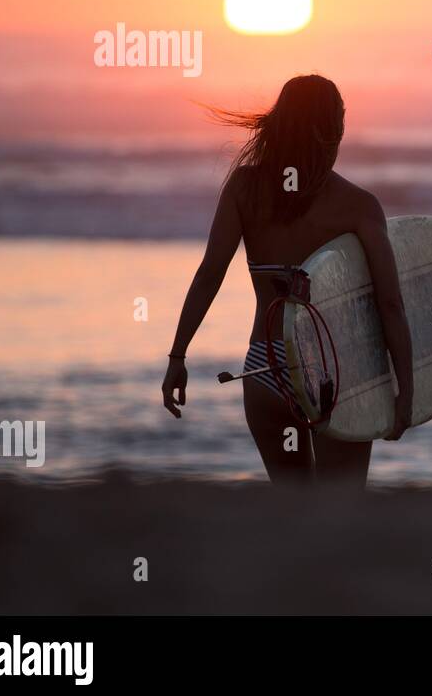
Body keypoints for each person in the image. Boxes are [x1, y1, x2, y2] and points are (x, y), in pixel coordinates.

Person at [160, 74, 414, 486]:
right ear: (335, 128)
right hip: (337, 373)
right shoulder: (359, 207)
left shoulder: (246, 188)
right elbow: (390, 304)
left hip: (265, 369)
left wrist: (177, 357)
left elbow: (210, 274)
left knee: (291, 513)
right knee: (339, 514)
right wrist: (407, 392)